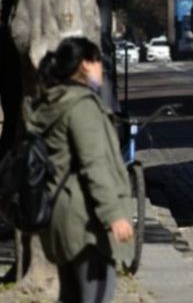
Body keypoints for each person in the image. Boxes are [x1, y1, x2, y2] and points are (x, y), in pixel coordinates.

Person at [27, 37, 133, 303]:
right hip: (86, 224)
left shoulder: (52, 102)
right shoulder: (82, 107)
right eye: (99, 63)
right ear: (85, 65)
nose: (102, 71)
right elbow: (94, 164)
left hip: (60, 218)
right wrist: (113, 214)